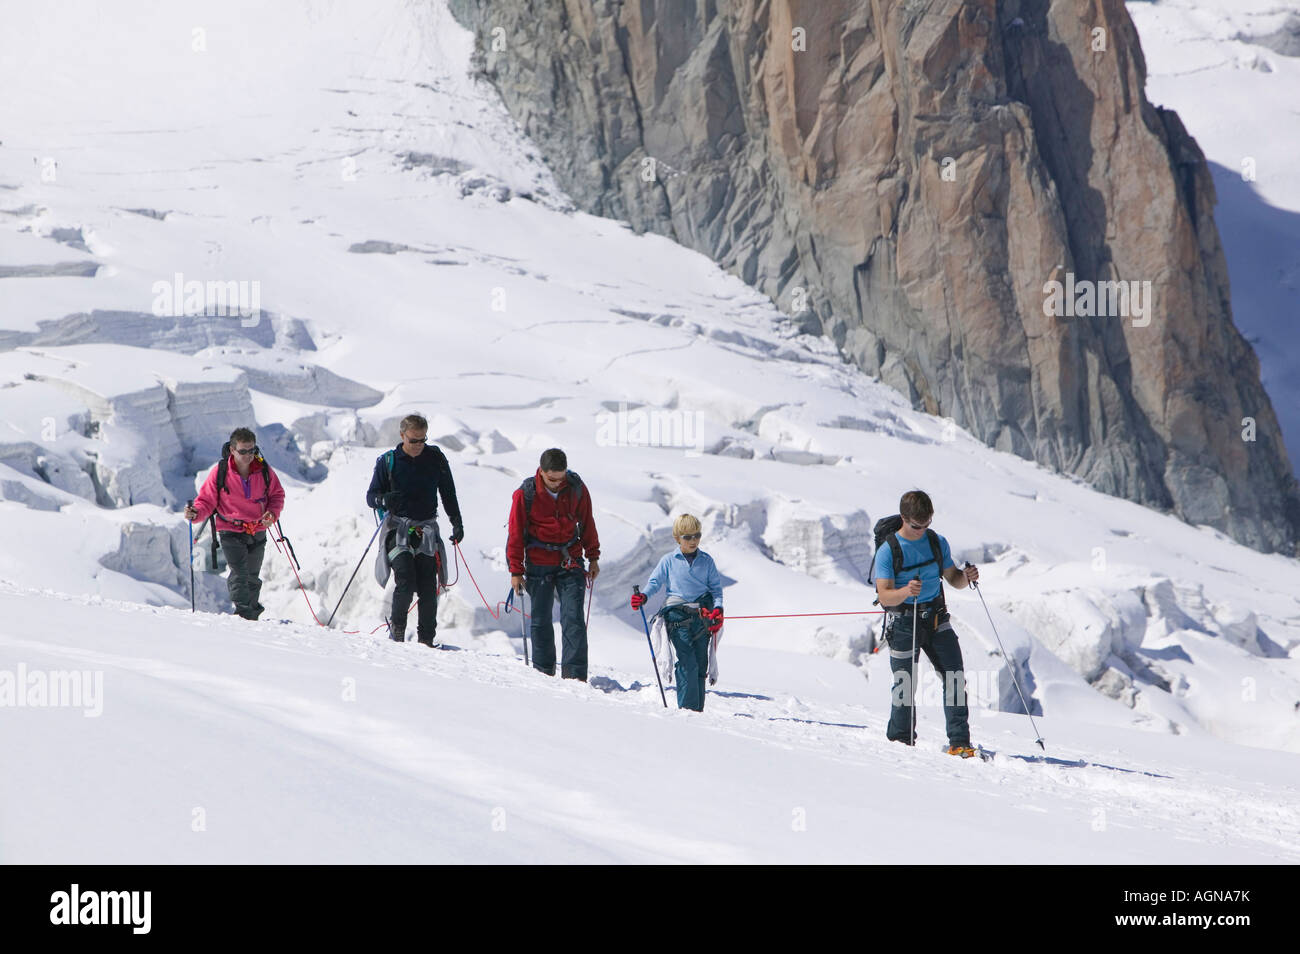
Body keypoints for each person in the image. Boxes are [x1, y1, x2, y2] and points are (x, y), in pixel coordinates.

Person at [873, 489, 979, 757]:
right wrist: (906, 591)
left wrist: (966, 577)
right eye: (916, 525)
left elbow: (952, 579)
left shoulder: (935, 541)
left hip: (935, 617)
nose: (921, 530)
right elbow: (884, 595)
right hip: (904, 622)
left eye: (926, 524)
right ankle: (900, 742)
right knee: (905, 685)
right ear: (903, 518)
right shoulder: (889, 551)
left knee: (954, 678)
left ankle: (960, 742)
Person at [365, 414, 464, 646]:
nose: (419, 445)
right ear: (402, 436)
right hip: (397, 529)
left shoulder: (435, 458)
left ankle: (426, 640)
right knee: (406, 579)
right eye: (414, 440)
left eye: (423, 440)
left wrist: (457, 521)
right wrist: (384, 499)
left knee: (429, 586)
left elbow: (448, 492)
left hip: (426, 529)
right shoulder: (388, 461)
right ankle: (397, 634)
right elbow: (371, 497)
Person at [506, 448, 600, 680]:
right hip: (538, 563)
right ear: (541, 472)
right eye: (552, 479)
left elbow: (587, 522)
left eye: (561, 477)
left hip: (571, 561)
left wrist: (593, 556)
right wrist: (516, 571)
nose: (558, 483)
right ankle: (543, 673)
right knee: (540, 620)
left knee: (573, 618)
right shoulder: (525, 494)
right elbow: (516, 533)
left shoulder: (576, 488)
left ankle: (575, 675)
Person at [185, 427, 285, 620]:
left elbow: (276, 495)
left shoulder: (264, 470)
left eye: (252, 450)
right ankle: (243, 614)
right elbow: (206, 501)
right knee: (239, 573)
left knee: (252, 576)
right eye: (243, 451)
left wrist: (272, 513)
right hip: (230, 529)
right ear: (232, 450)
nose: (248, 455)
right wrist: (195, 513)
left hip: (257, 529)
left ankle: (251, 615)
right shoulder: (221, 471)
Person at [631, 514, 724, 712]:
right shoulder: (668, 561)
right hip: (676, 616)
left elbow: (716, 590)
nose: (693, 541)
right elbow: (654, 583)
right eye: (687, 537)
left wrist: (718, 609)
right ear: (677, 538)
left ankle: (697, 712)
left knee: (700, 664)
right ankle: (688, 711)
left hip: (701, 618)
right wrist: (645, 596)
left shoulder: (707, 561)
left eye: (696, 535)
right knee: (687, 663)